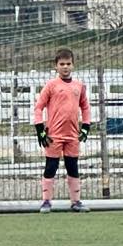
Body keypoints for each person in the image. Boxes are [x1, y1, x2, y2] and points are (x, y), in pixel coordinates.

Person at [34, 47, 93, 211]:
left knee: (73, 167)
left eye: (68, 63)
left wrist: (86, 126)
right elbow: (38, 108)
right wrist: (40, 129)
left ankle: (76, 202)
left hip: (72, 135)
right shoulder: (51, 85)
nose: (65, 67)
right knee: (51, 167)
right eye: (62, 64)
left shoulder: (79, 86)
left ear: (73, 65)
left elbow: (85, 107)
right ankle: (46, 201)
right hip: (54, 135)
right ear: (56, 66)